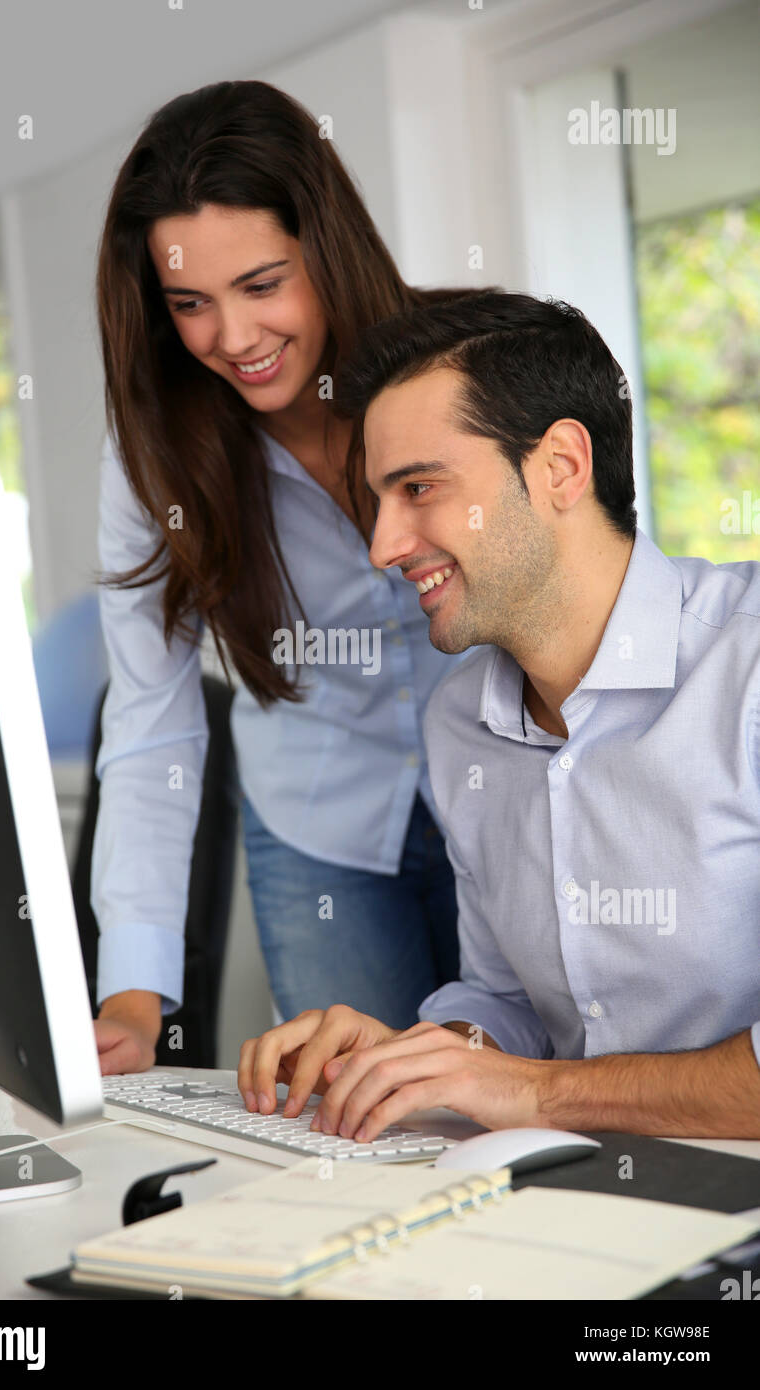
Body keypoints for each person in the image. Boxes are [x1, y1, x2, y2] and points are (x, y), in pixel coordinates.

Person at [237, 290, 760, 1140]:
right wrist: (425, 1054)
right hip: (575, 1203)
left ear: (559, 466)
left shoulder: (748, 671)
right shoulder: (459, 725)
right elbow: (507, 1001)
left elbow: (536, 1084)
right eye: (378, 500)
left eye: (419, 488)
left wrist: (539, 1094)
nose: (382, 546)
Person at [91, 79, 475, 1077]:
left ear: (325, 251)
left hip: (501, 804)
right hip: (318, 830)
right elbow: (151, 725)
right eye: (189, 304)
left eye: (261, 284)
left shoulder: (463, 374)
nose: (232, 337)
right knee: (351, 1130)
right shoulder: (153, 457)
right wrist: (132, 1000)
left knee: (516, 1122)